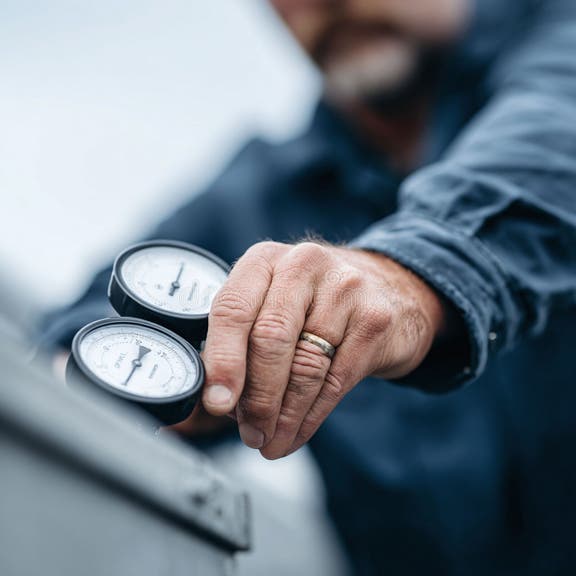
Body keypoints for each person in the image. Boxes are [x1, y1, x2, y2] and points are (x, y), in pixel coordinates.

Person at [40, 0, 576, 574]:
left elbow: (550, 147)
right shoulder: (257, 195)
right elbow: (75, 338)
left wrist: (405, 276)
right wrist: (179, 386)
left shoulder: (556, 47)